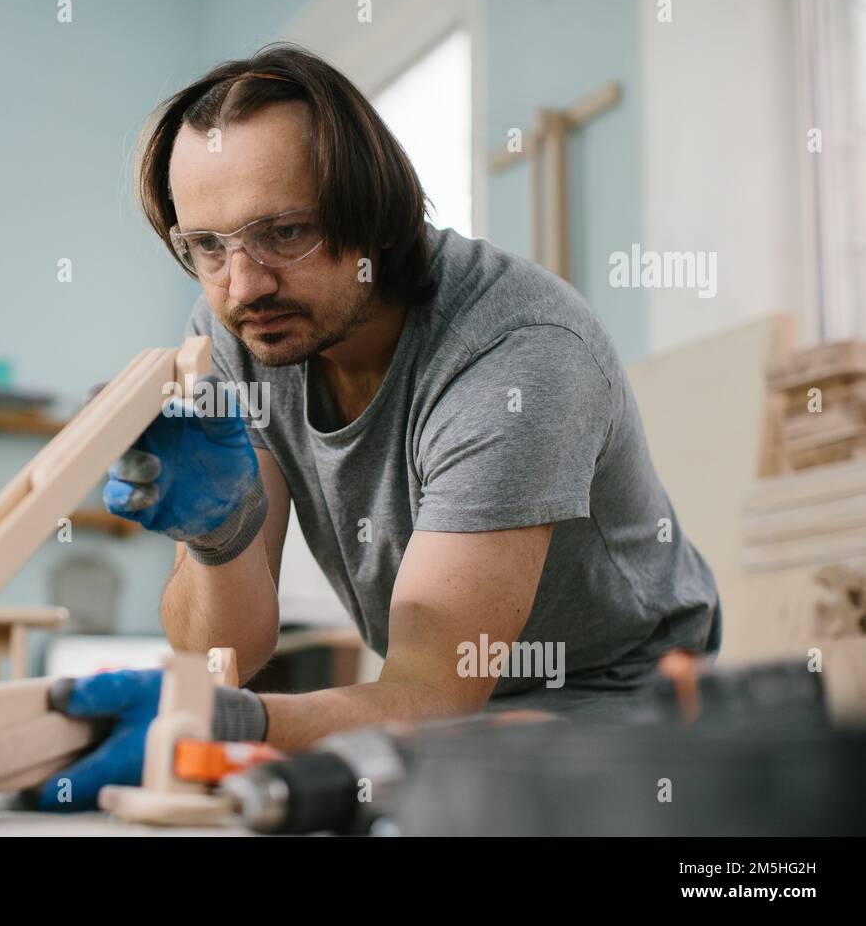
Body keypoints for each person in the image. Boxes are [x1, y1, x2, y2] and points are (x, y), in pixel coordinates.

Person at [39, 44, 719, 812]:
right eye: (207, 246)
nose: (244, 284)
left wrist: (217, 721)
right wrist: (218, 539)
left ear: (375, 213)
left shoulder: (517, 355)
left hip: (623, 710)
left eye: (285, 232)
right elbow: (225, 656)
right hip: (437, 714)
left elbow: (434, 690)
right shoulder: (241, 327)